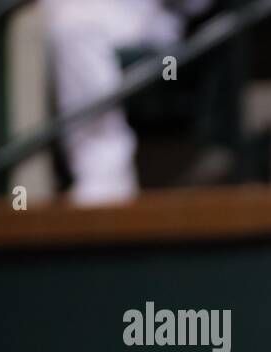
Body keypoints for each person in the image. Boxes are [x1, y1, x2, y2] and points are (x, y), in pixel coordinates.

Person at [42, 0, 213, 205]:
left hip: (151, 24)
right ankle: (101, 172)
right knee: (65, 20)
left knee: (73, 26)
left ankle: (106, 173)